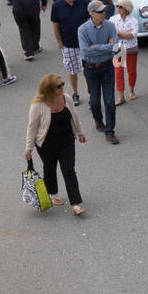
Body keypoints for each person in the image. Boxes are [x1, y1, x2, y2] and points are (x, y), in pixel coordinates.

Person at [25, 74, 88, 216]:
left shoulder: (66, 98)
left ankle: (75, 203)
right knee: (49, 168)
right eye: (59, 86)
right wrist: (28, 149)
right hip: (46, 144)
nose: (62, 88)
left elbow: (75, 116)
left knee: (69, 170)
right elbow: (32, 128)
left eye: (62, 84)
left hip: (67, 141)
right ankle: (53, 195)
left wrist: (80, 133)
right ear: (49, 89)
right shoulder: (38, 105)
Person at [77, 0, 120, 144]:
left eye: (104, 11)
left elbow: (115, 47)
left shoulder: (110, 26)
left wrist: (94, 47)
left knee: (109, 101)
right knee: (94, 100)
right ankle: (98, 119)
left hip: (107, 67)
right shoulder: (83, 29)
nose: (104, 13)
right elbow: (84, 51)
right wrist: (106, 46)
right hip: (90, 68)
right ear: (91, 13)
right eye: (100, 11)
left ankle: (110, 131)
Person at [51, 0, 90, 103]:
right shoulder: (57, 6)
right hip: (68, 45)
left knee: (87, 71)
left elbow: (89, 22)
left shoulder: (83, 3)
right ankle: (75, 93)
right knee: (72, 71)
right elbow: (55, 26)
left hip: (84, 44)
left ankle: (90, 96)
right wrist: (60, 44)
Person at [112, 0, 139, 105]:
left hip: (131, 48)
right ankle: (121, 97)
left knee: (131, 71)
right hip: (118, 47)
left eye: (120, 6)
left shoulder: (134, 21)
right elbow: (111, 33)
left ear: (127, 8)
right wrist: (125, 34)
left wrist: (119, 33)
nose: (118, 8)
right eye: (117, 6)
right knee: (118, 72)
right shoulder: (113, 19)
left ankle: (131, 91)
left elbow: (133, 35)